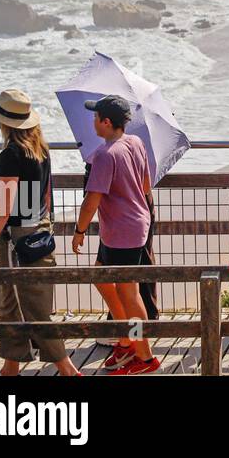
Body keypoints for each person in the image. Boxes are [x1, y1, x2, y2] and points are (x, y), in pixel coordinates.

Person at [0, 89, 79, 376]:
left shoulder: (11, 155)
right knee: (11, 305)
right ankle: (11, 367)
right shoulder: (40, 150)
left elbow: (3, 210)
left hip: (17, 241)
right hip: (39, 234)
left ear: (4, 122)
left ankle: (67, 370)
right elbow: (43, 198)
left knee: (32, 310)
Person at [71, 94, 159, 375]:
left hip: (124, 233)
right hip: (130, 226)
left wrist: (79, 230)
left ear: (106, 122)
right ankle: (125, 338)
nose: (93, 121)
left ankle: (144, 357)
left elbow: (91, 201)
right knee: (102, 277)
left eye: (95, 117)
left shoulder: (105, 156)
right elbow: (146, 183)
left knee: (130, 295)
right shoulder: (135, 143)